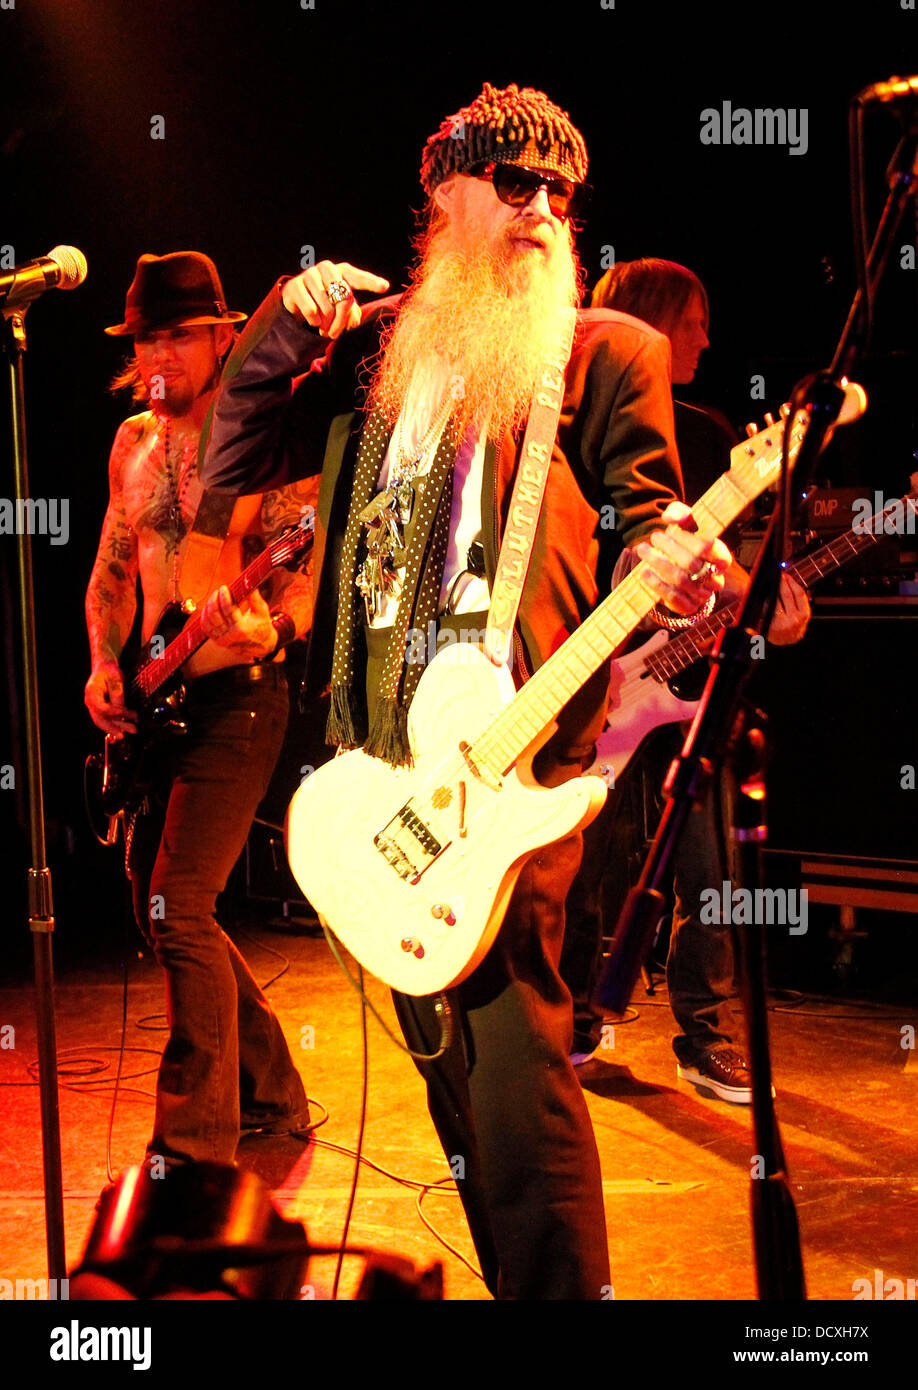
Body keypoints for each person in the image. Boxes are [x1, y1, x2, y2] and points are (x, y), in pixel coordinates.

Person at [201, 84, 732, 1299]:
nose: (546, 210)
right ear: (444, 197)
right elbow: (227, 463)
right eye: (516, 185)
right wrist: (283, 323)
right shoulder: (372, 357)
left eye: (563, 193)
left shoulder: (606, 352)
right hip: (377, 759)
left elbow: (653, 511)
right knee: (447, 1057)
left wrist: (683, 565)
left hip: (512, 749)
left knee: (514, 1054)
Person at [85, 251, 314, 1169]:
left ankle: (194, 1148)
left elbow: (301, 565)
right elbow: (109, 568)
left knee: (180, 901)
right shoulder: (132, 444)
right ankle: (272, 1090)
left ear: (224, 336)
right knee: (167, 910)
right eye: (145, 336)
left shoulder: (262, 433)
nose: (158, 353)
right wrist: (105, 664)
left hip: (243, 697)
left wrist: (276, 629)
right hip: (156, 697)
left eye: (178, 334)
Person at [561, 258, 810, 1102]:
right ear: (653, 322)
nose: (707, 337)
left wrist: (763, 597)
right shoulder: (567, 423)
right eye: (695, 320)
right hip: (586, 675)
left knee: (712, 868)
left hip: (690, 678)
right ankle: (574, 1022)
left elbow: (721, 565)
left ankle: (705, 1033)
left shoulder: (709, 435)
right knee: (576, 858)